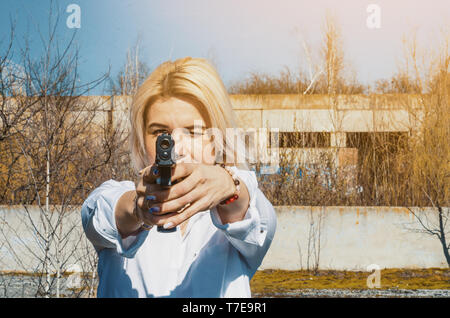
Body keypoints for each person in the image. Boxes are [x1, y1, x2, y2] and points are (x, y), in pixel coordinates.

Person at [81, 57, 277, 297]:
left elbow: (252, 213)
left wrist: (228, 184)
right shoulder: (112, 197)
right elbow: (99, 213)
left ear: (218, 140)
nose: (177, 148)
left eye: (194, 132)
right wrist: (138, 208)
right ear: (141, 141)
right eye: (161, 133)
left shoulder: (244, 211)